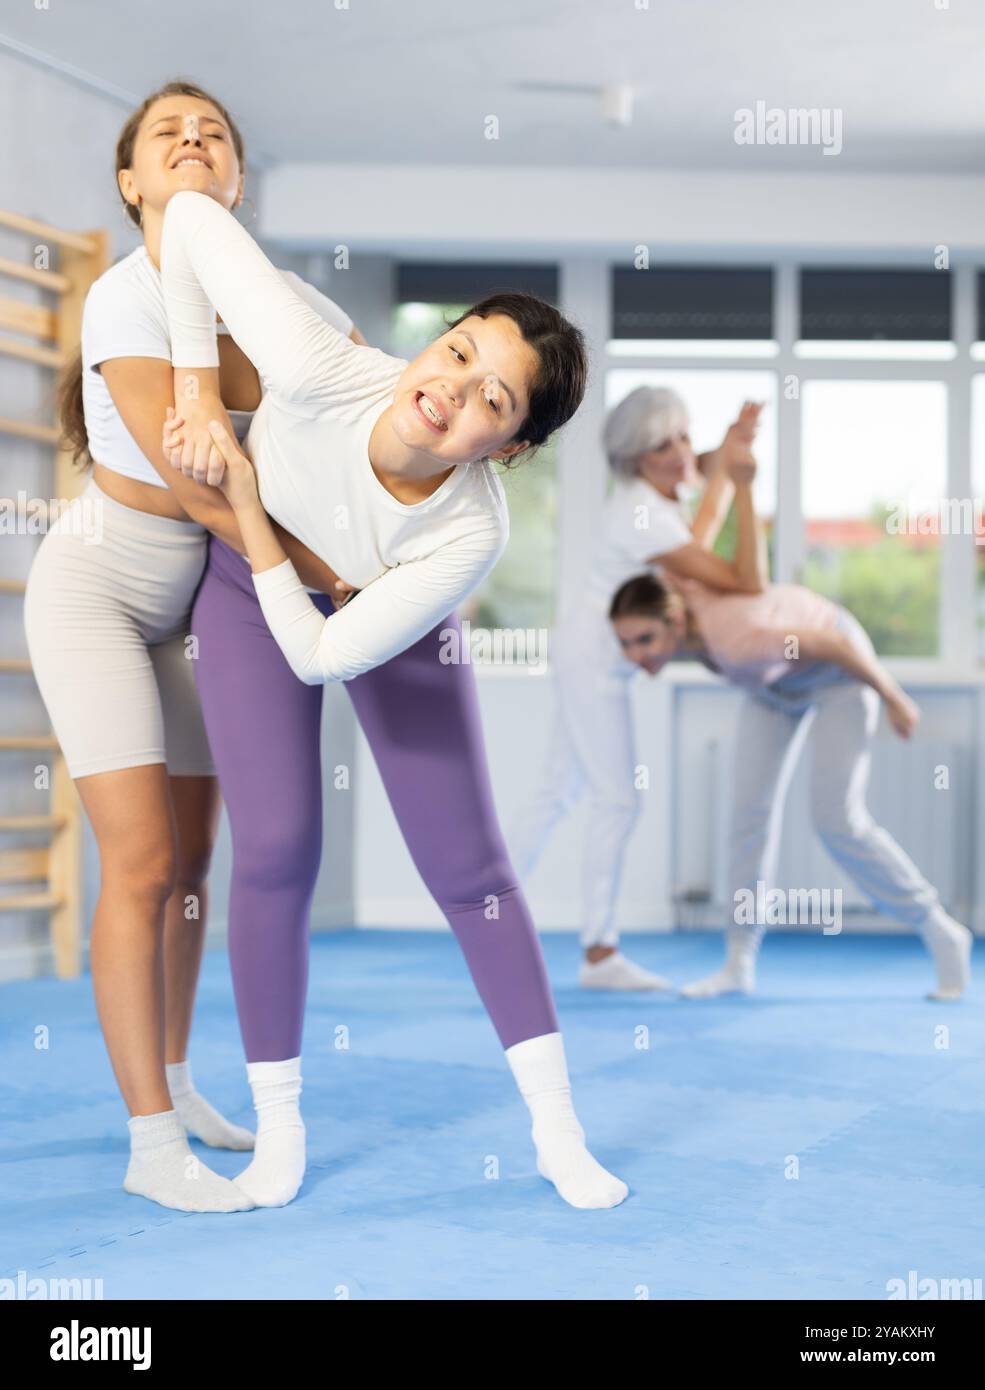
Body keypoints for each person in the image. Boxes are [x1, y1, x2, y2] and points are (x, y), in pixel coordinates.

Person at [156, 188, 627, 1210]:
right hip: (249, 588)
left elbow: (327, 655)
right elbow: (189, 218)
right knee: (276, 851)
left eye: (495, 400)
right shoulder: (320, 366)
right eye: (459, 352)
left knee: (472, 871)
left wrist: (241, 497)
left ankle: (557, 1132)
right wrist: (198, 397)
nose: (454, 390)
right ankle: (279, 1131)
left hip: (377, 618)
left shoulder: (471, 531)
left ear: (508, 448)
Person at [24, 81, 366, 1214]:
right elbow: (201, 480)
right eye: (165, 133)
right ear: (134, 183)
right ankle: (147, 1141)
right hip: (103, 596)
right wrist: (322, 577)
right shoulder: (124, 298)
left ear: (234, 180)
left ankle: (176, 1079)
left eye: (212, 132)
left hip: (204, 606)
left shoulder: (292, 301)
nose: (191, 140)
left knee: (191, 872)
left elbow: (349, 435)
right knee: (140, 866)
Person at [607, 447, 972, 1002]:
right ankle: (738, 963)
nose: (637, 655)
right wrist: (731, 469)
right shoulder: (676, 586)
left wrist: (894, 698)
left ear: (675, 621)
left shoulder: (736, 638)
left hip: (837, 670)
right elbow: (704, 525)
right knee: (746, 818)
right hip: (774, 685)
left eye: (644, 641)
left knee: (836, 820)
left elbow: (831, 643)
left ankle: (941, 930)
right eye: (627, 644)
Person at [508, 385, 763, 990]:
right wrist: (735, 474)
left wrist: (725, 451)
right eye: (662, 447)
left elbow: (701, 490)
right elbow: (731, 573)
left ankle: (486, 917)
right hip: (594, 657)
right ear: (635, 459)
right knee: (618, 801)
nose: (680, 454)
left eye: (682, 436)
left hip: (590, 652)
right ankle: (599, 953)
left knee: (556, 794)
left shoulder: (657, 492)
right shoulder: (640, 513)